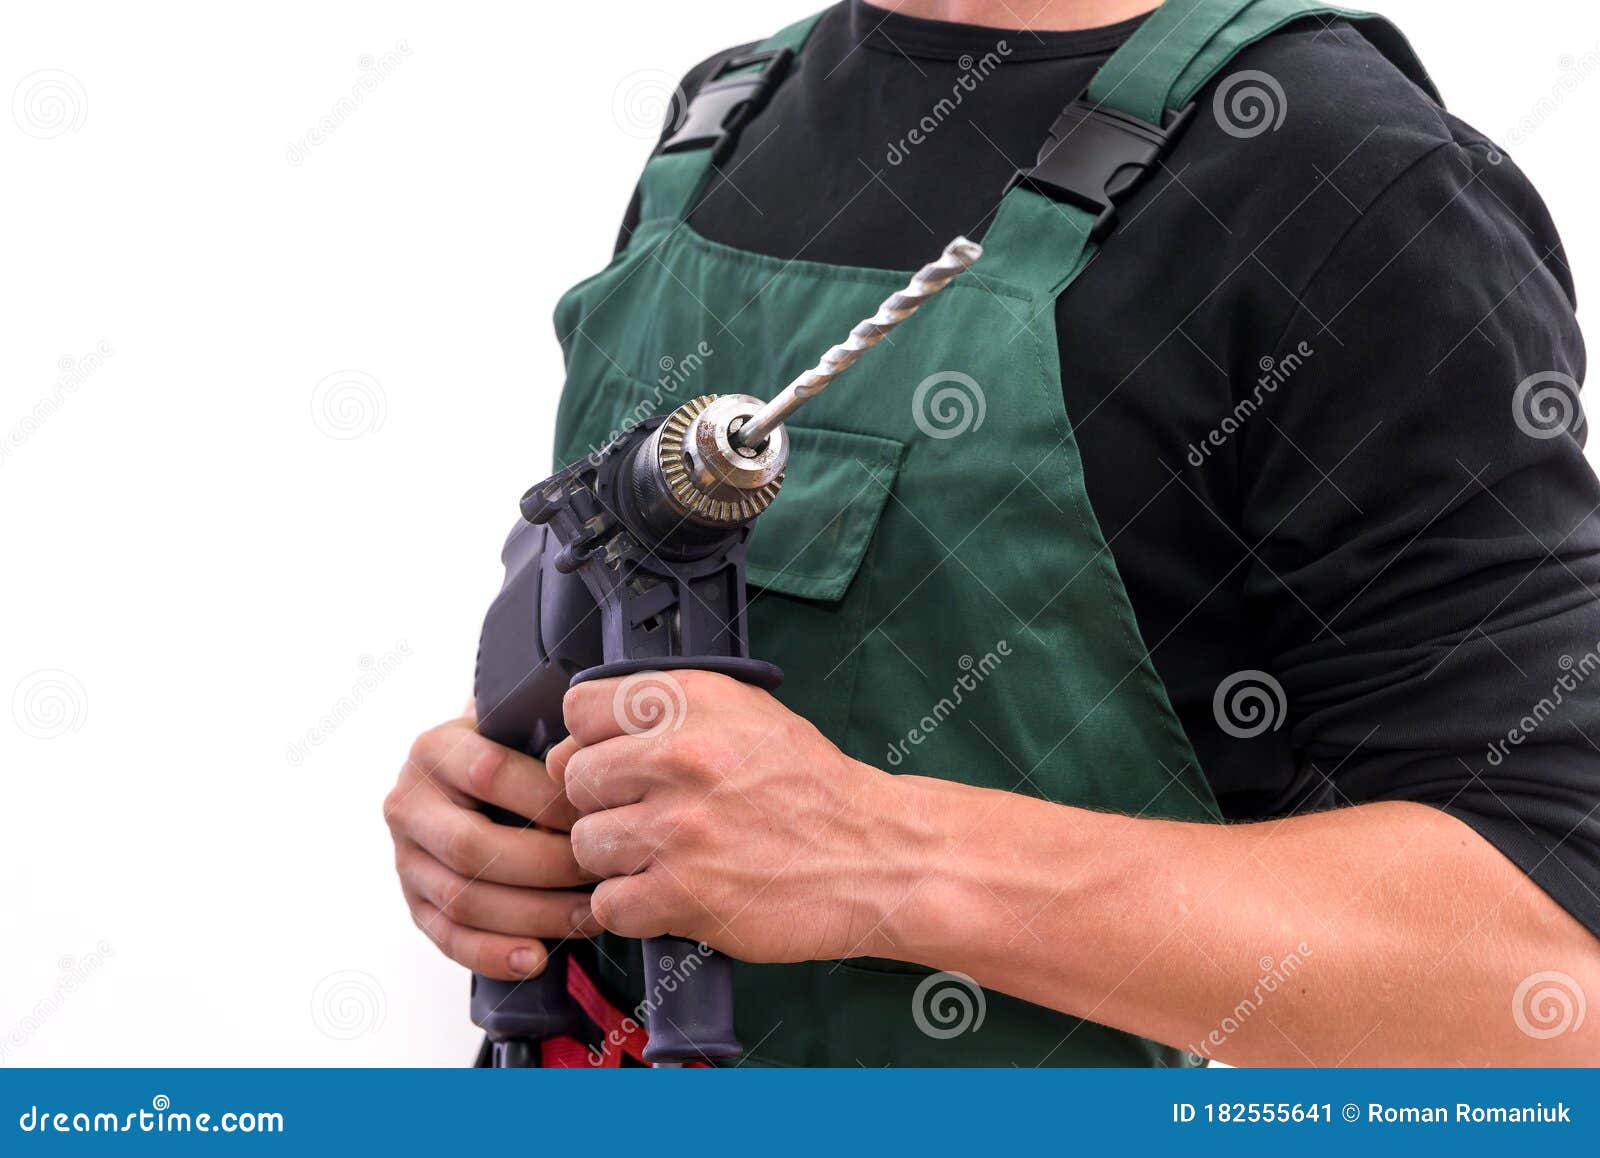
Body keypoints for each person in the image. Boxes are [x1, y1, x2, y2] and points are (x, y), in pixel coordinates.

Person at [384, 0, 1600, 1065]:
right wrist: (500, 807)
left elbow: (1551, 979)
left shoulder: (1337, 175)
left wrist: (880, 859)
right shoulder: (724, 118)